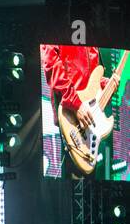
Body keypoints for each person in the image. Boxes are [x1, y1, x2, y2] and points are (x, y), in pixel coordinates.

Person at [40, 44, 120, 180]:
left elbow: (93, 79)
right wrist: (75, 103)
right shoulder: (58, 26)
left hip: (90, 117)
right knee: (74, 186)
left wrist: (106, 85)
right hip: (71, 115)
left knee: (90, 186)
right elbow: (51, 64)